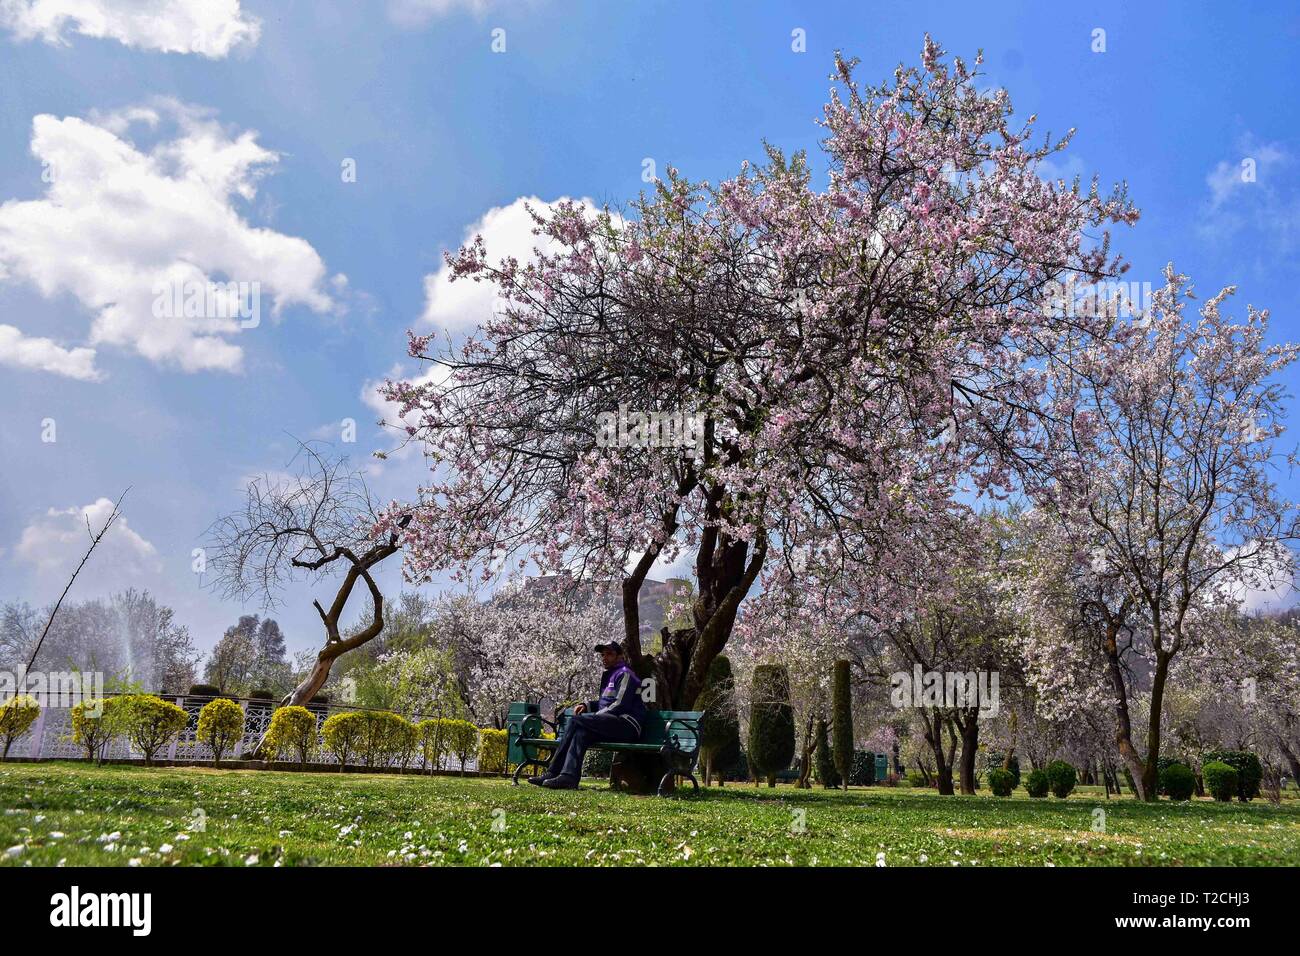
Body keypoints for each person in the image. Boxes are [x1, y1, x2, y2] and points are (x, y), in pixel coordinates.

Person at [530, 641, 646, 789]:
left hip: (627, 725)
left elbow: (620, 705)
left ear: (620, 656)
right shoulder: (612, 675)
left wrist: (595, 716)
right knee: (581, 733)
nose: (604, 658)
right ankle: (568, 777)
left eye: (609, 654)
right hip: (614, 723)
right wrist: (587, 705)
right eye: (603, 655)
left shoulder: (625, 674)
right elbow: (607, 703)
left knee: (575, 721)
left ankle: (553, 771)